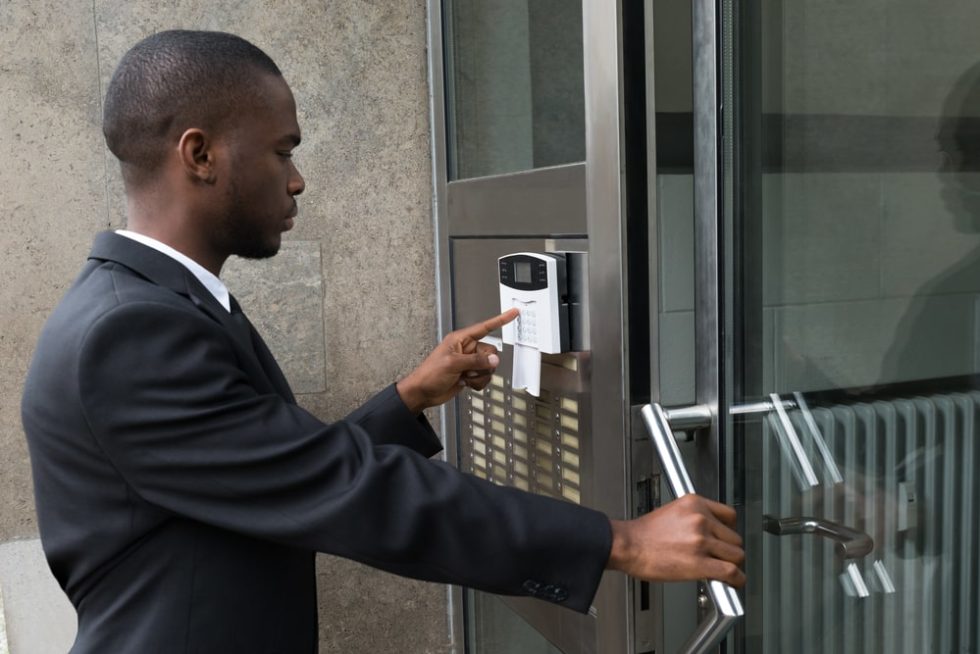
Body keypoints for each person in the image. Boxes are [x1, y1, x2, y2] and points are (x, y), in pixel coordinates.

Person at [21, 30, 745, 653]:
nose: (298, 180)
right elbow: (345, 492)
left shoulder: (152, 307)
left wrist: (406, 399)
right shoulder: (131, 332)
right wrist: (620, 542)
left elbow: (274, 473)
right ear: (200, 154)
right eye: (281, 151)